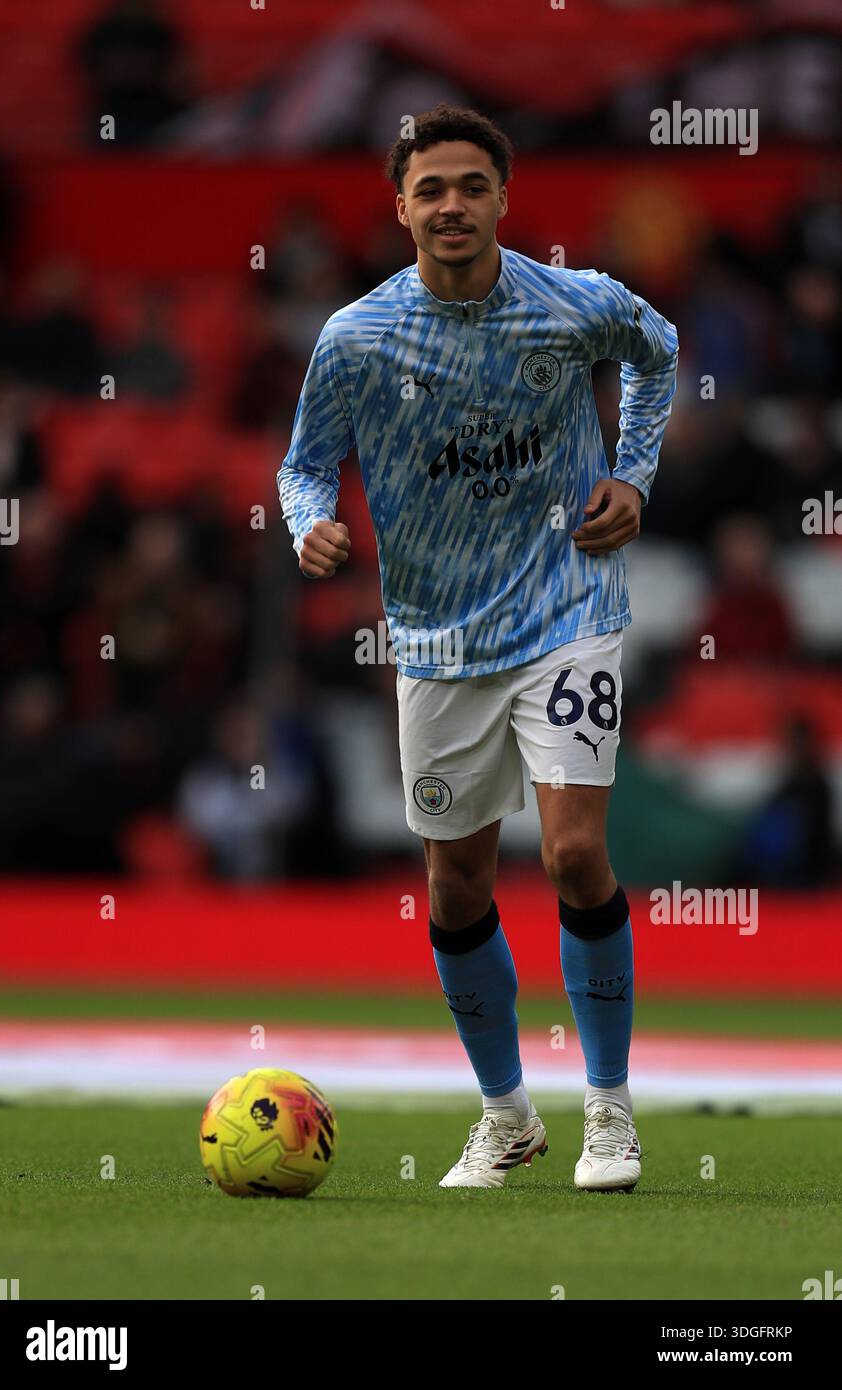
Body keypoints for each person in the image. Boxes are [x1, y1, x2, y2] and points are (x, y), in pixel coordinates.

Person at [277, 103, 678, 1192]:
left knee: (570, 853)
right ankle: (506, 1115)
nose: (450, 205)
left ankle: (607, 1111)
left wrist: (631, 477)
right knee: (454, 885)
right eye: (429, 189)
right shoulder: (355, 337)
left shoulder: (570, 302)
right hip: (437, 636)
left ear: (502, 198)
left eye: (469, 185)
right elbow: (303, 465)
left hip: (569, 608)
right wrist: (304, 521)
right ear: (398, 206)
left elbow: (657, 350)